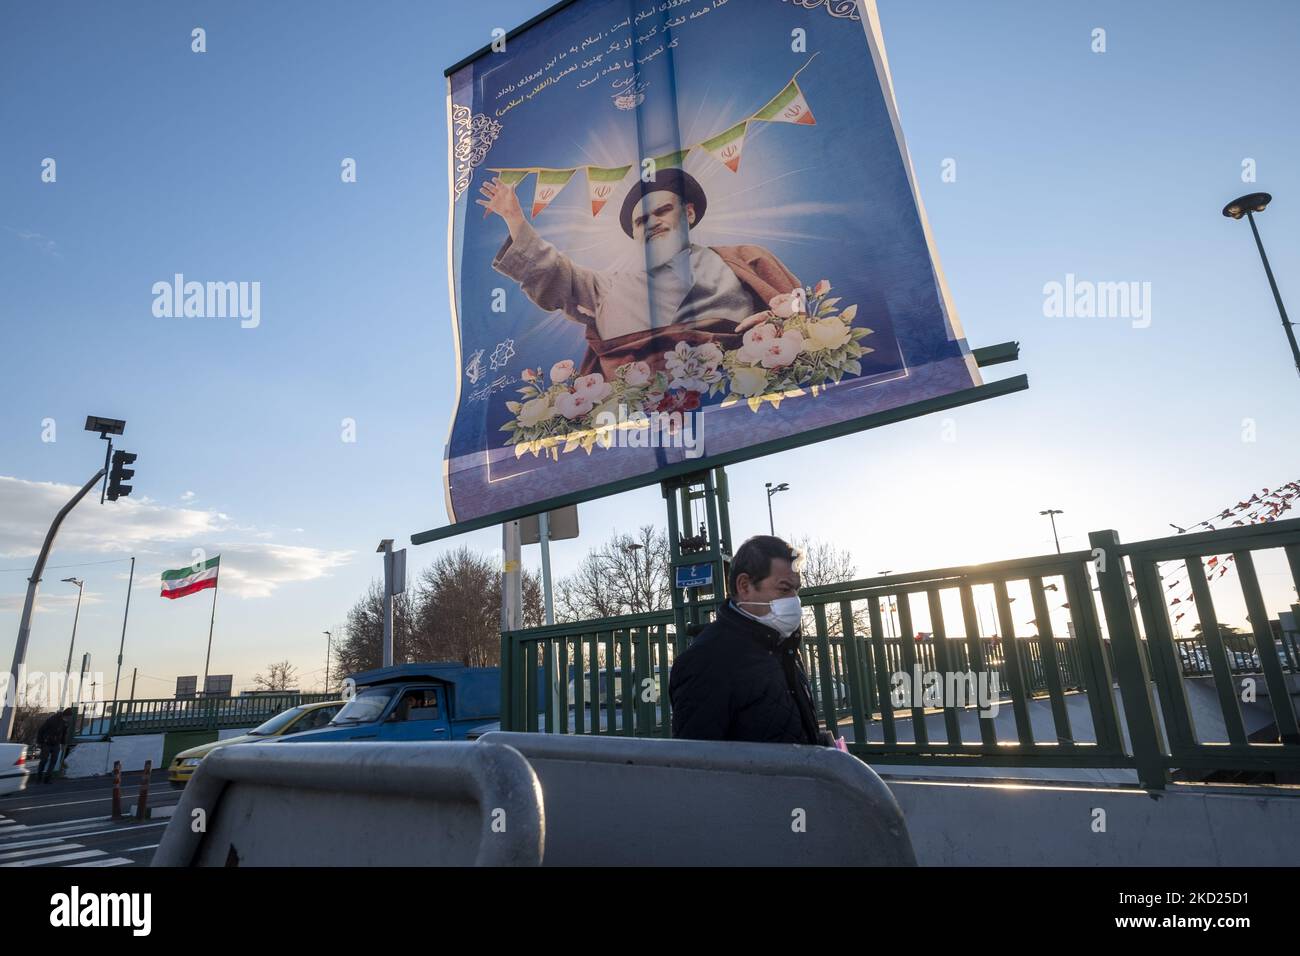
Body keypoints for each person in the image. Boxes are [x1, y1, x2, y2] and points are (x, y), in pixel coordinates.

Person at [479, 168, 802, 380]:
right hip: (647, 420)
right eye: (640, 221)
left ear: (688, 213)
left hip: (752, 390)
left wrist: (777, 323)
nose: (652, 223)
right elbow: (552, 270)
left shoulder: (745, 258)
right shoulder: (607, 287)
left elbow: (806, 318)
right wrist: (515, 219)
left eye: (662, 211)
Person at [669, 535, 834, 745]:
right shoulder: (705, 661)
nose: (794, 599)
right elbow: (697, 766)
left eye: (796, 590)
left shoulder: (783, 646)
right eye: (784, 588)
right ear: (744, 586)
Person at [36, 707, 72, 783]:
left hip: (56, 744)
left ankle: (47, 778)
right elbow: (41, 730)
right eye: (69, 717)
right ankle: (39, 777)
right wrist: (39, 742)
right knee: (44, 760)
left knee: (54, 761)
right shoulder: (53, 719)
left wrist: (63, 743)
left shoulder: (65, 723)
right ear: (66, 715)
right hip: (47, 743)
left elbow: (64, 734)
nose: (69, 719)